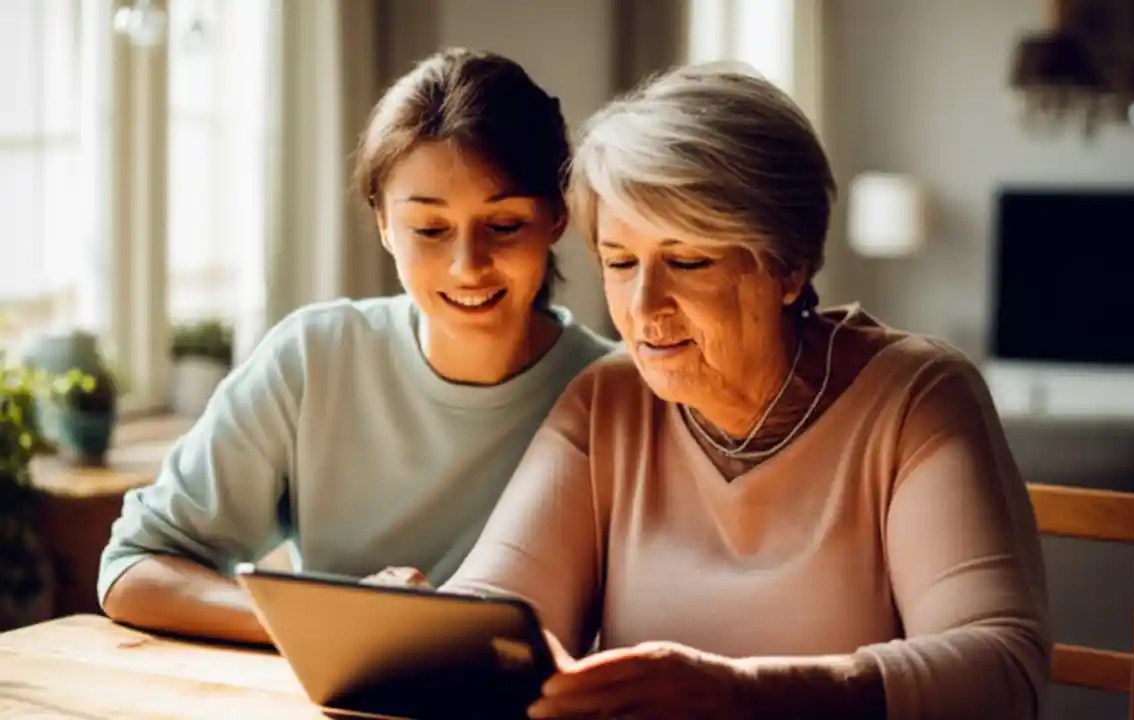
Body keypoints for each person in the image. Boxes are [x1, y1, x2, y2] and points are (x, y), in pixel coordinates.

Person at [419, 64, 1049, 719]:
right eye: (620, 261)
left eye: (689, 261)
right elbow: (498, 608)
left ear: (789, 265)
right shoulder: (606, 403)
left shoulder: (918, 399)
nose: (643, 306)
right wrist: (424, 626)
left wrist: (745, 695)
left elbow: (1000, 672)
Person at [98, 48, 614, 646]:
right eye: (429, 229)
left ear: (556, 218)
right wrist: (334, 620)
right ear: (382, 224)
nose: (467, 266)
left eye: (504, 226)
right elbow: (132, 568)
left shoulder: (613, 391)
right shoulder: (314, 359)